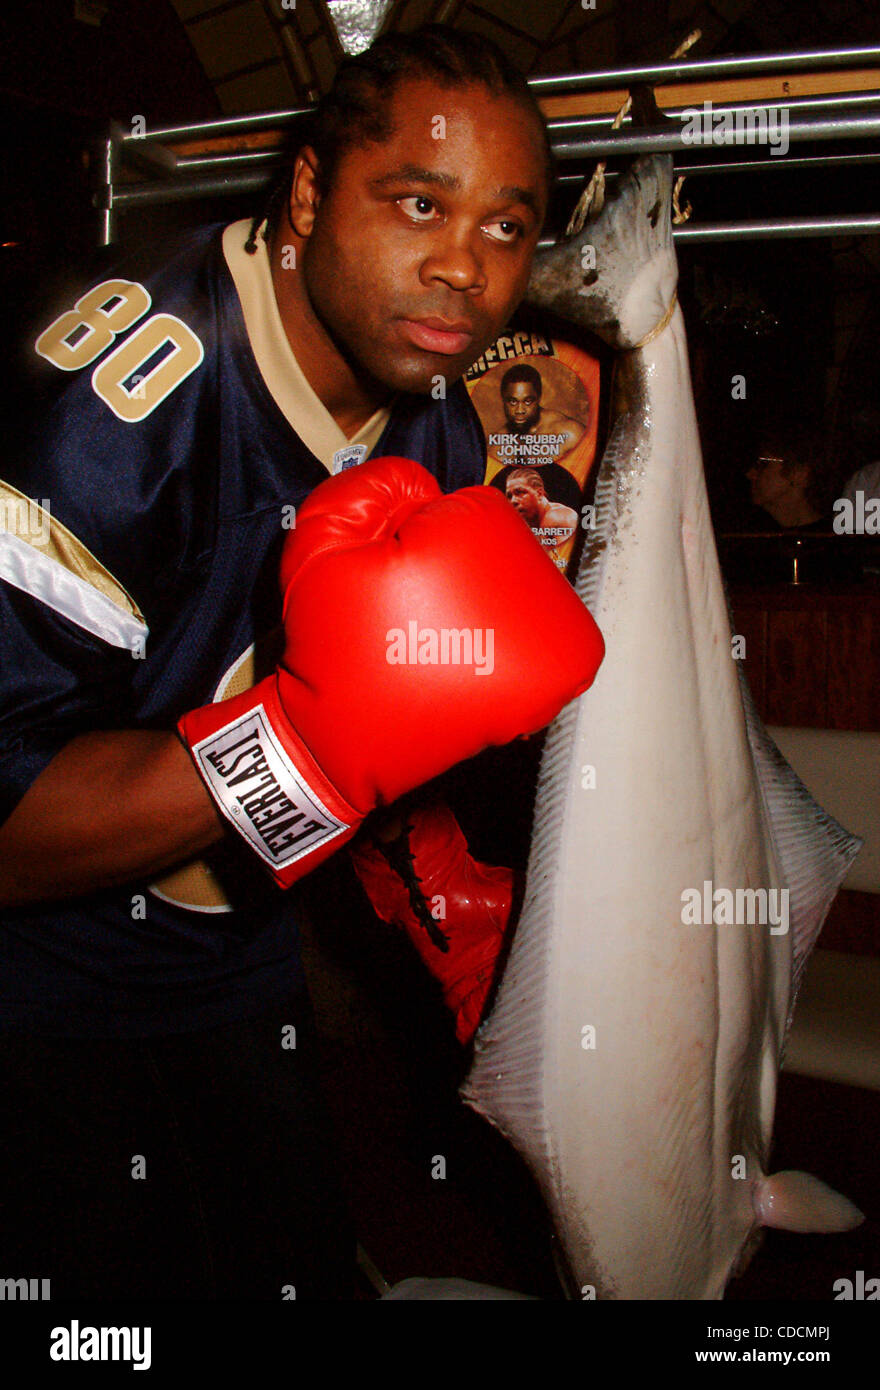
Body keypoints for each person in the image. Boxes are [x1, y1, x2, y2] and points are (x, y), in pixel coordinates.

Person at [0, 25, 606, 1301]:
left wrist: (429, 858)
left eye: (508, 228)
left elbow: (394, 705)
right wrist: (299, 745)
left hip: (234, 958)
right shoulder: (110, 427)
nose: (462, 269)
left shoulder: (435, 397)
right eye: (418, 203)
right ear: (311, 193)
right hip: (38, 993)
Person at [487, 362, 584, 511]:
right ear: (503, 400)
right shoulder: (496, 444)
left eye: (527, 401)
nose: (520, 410)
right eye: (513, 401)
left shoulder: (569, 432)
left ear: (538, 398)